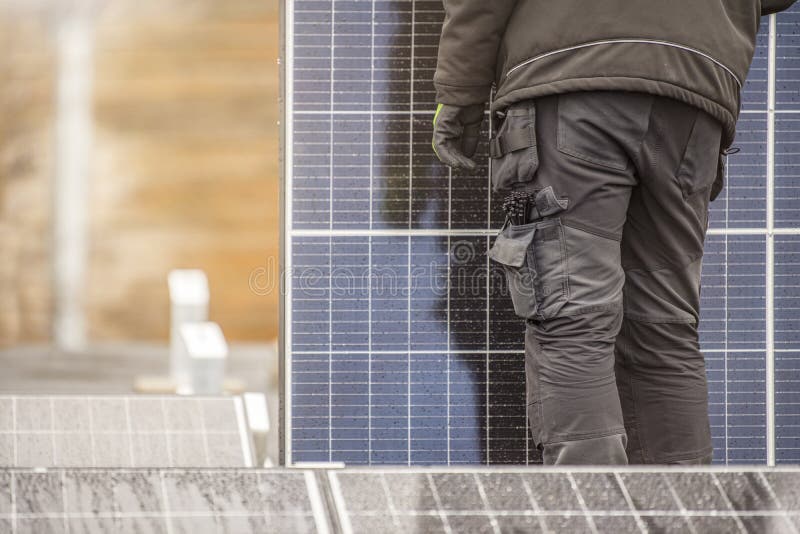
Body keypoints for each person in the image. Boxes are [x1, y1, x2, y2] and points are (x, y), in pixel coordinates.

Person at [432, 0, 797, 465]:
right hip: (696, 90)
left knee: (572, 315)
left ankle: (592, 514)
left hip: (572, 75)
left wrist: (461, 89)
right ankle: (684, 517)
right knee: (664, 330)